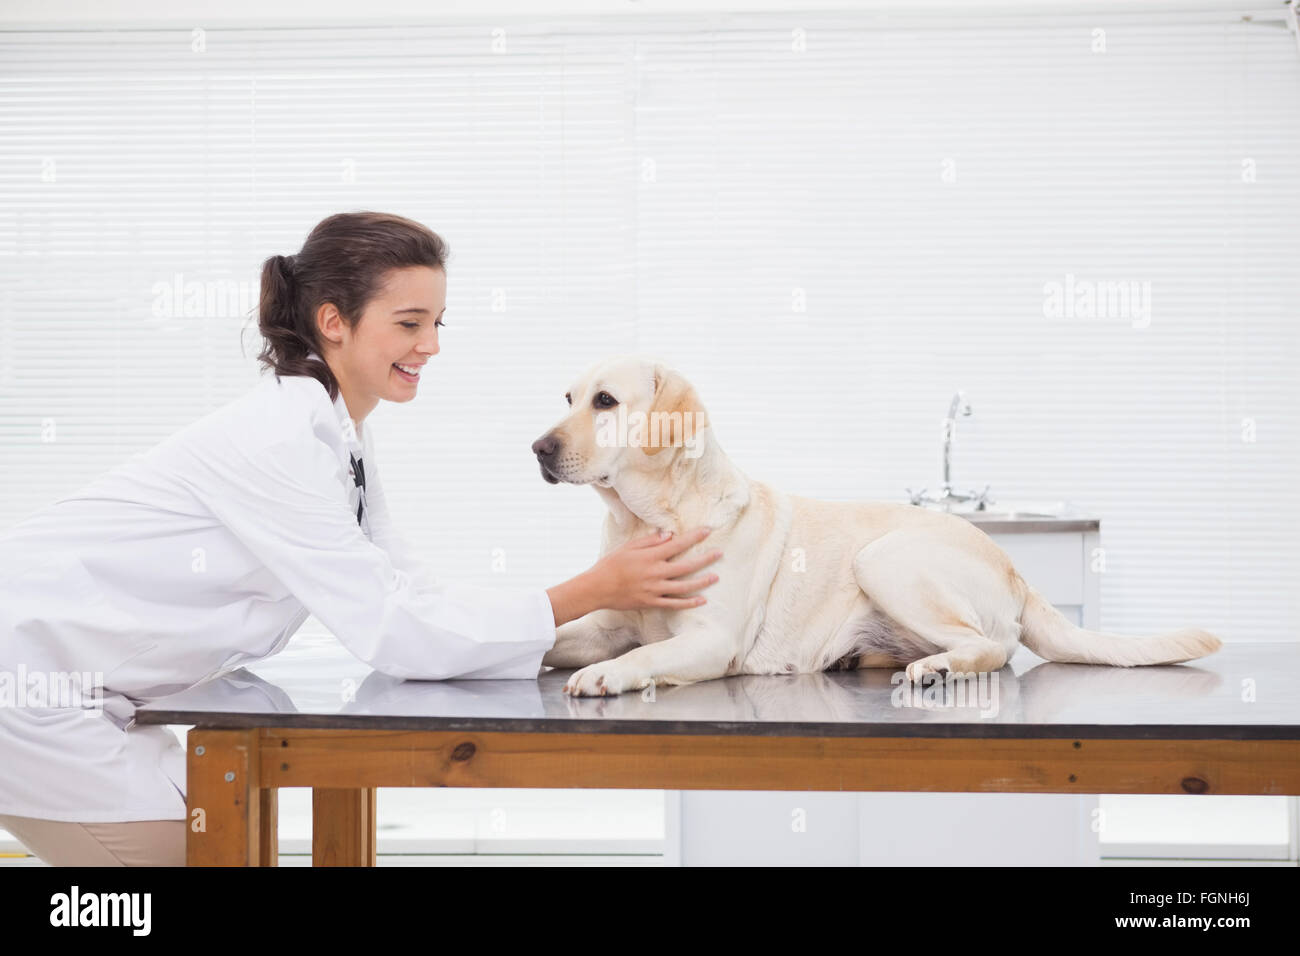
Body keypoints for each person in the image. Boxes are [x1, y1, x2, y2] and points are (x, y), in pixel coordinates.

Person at [0, 210, 722, 866]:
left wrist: (585, 621)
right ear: (333, 321)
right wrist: (594, 590)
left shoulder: (338, 435)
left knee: (227, 844)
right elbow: (394, 628)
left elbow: (409, 592)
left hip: (94, 695)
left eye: (438, 323)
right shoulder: (280, 439)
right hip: (30, 686)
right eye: (409, 323)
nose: (430, 345)